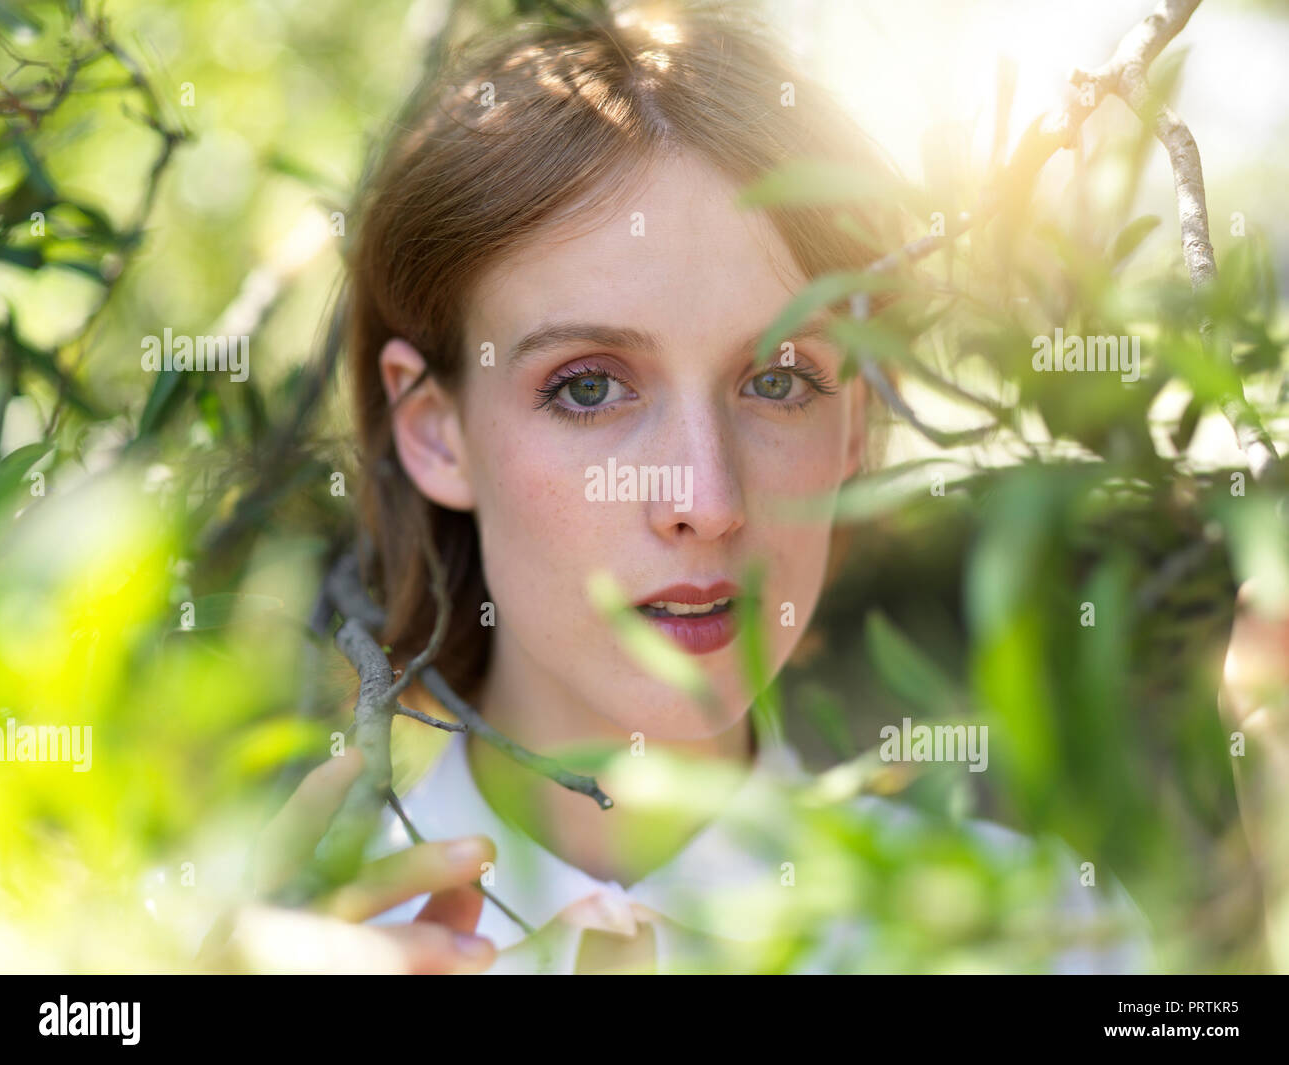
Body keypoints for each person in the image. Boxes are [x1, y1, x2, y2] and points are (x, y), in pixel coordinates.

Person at [238, 0, 1156, 975]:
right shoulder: (216, 945)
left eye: (776, 382)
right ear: (434, 430)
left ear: (853, 422)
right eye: (588, 387)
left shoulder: (1047, 941)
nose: (707, 501)